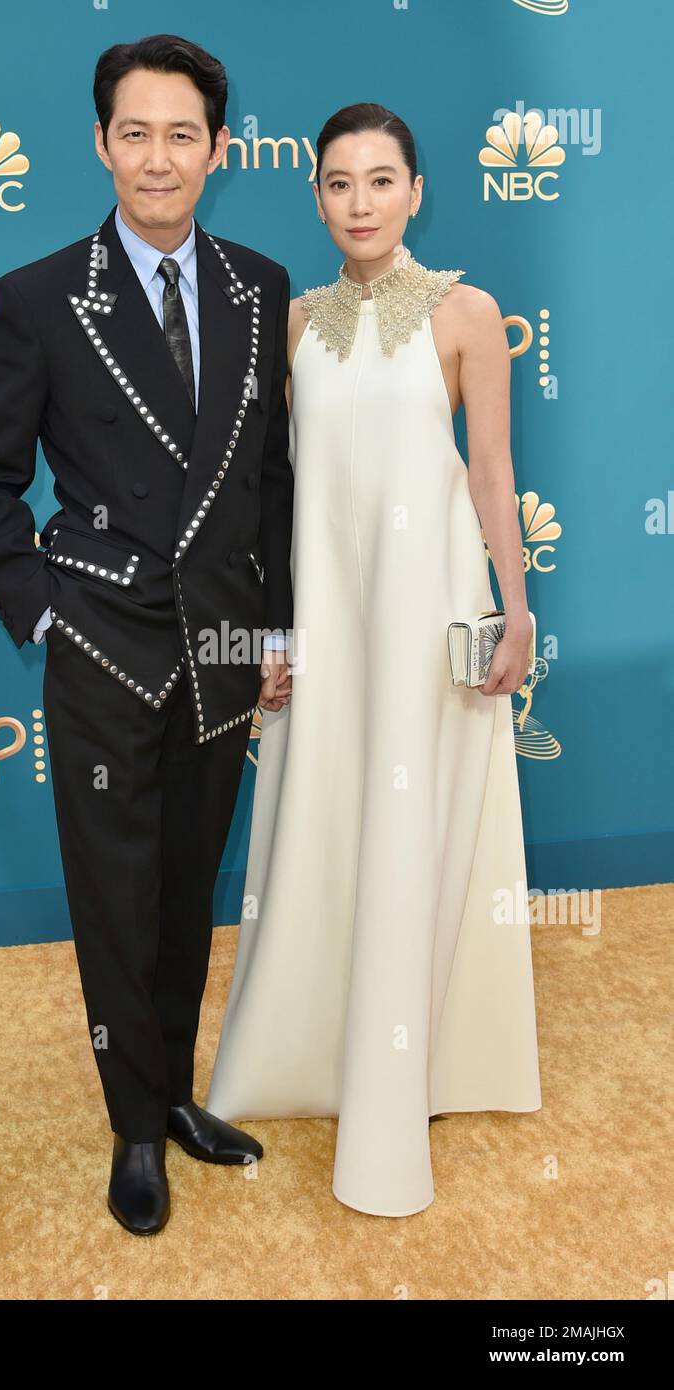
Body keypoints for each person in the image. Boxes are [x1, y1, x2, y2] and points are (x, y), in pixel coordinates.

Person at [0, 33, 293, 1236]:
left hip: (218, 643)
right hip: (100, 640)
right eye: (135, 134)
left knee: (185, 885)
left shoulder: (260, 287)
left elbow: (270, 478)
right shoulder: (40, 297)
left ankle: (176, 1092)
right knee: (114, 890)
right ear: (101, 143)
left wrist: (277, 626)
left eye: (183, 135)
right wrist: (38, 603)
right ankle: (135, 1128)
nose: (159, 159)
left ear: (219, 147)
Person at [207, 103, 542, 1217]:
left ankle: (421, 1066)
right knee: (330, 814)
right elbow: (274, 499)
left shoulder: (466, 313)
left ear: (416, 189)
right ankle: (317, 1049)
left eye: (381, 180)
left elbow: (489, 473)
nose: (360, 202)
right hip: (329, 621)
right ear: (314, 196)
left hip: (429, 612)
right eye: (339, 183)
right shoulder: (292, 325)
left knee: (421, 822)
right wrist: (270, 633)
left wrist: (517, 608)